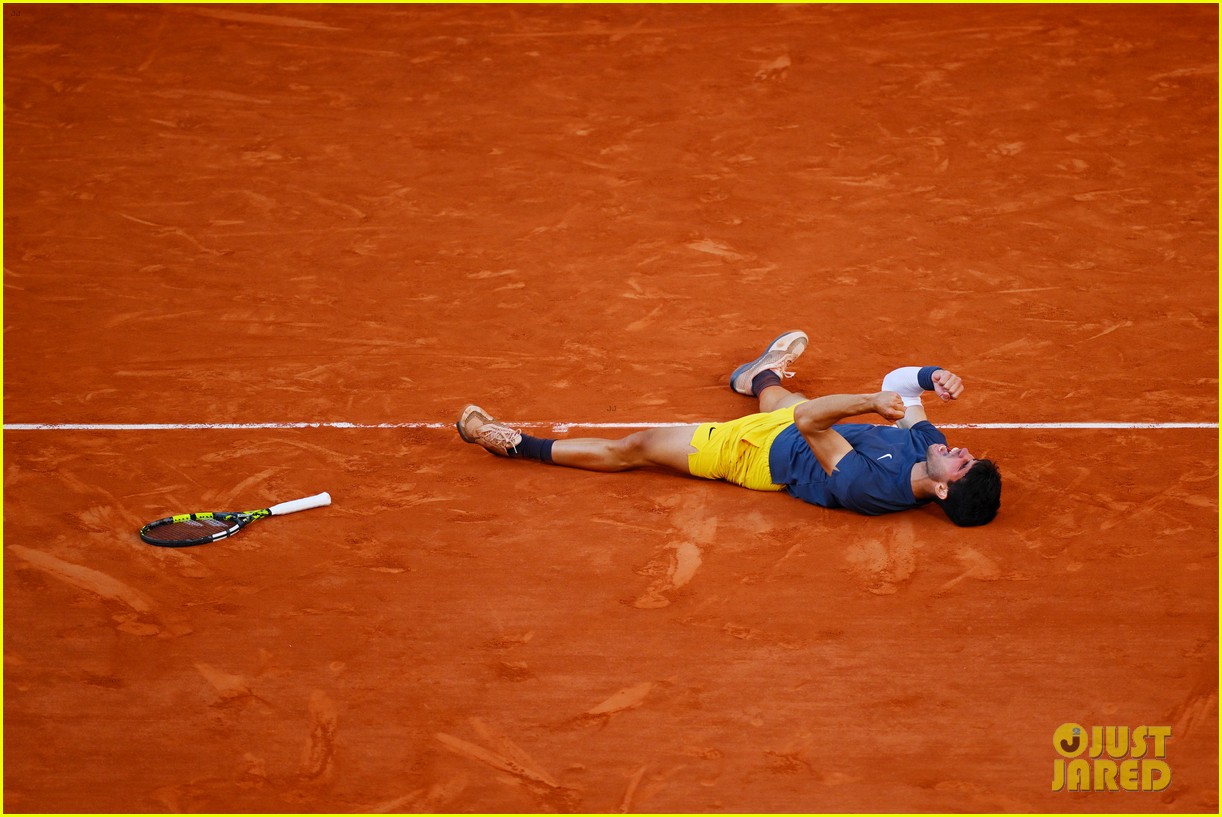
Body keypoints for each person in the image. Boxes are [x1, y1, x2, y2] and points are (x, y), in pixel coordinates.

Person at [456, 331, 1001, 526]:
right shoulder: (930, 446)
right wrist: (932, 376)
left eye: (963, 462)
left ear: (944, 487)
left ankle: (517, 445)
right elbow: (900, 386)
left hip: (754, 457)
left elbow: (813, 422)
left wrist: (865, 401)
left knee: (638, 446)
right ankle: (757, 374)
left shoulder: (870, 489)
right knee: (784, 397)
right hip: (794, 426)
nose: (962, 449)